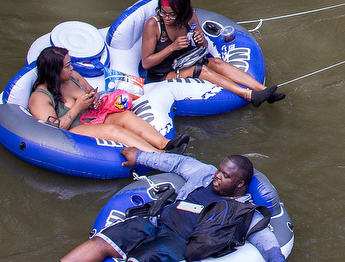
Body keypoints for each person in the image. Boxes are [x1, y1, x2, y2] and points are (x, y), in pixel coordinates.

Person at [59, 147, 285, 262]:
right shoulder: (204, 174)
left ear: (240, 184)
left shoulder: (245, 211)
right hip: (156, 222)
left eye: (225, 176)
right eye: (219, 170)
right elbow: (176, 162)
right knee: (102, 242)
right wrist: (139, 156)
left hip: (178, 242)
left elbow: (267, 241)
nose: (217, 176)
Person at [28, 46, 189, 154]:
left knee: (126, 117)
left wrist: (94, 98)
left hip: (92, 116)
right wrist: (77, 107)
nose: (71, 68)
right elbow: (52, 130)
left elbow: (91, 90)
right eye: (67, 66)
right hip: (72, 130)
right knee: (113, 130)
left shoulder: (73, 77)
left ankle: (165, 144)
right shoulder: (40, 97)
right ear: (55, 70)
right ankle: (158, 155)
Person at [142, 0, 284, 107]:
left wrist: (200, 39)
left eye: (171, 15)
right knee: (202, 70)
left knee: (217, 62)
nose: (166, 18)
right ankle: (249, 95)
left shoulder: (188, 17)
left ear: (181, 12)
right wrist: (172, 47)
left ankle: (265, 91)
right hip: (163, 73)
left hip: (186, 61)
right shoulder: (154, 25)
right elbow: (146, 62)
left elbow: (203, 46)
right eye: (163, 13)